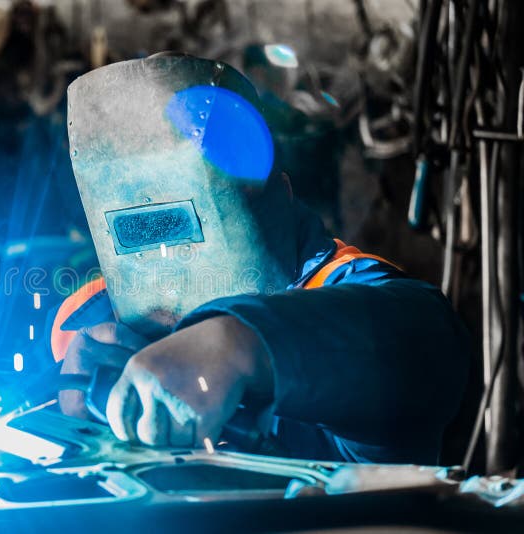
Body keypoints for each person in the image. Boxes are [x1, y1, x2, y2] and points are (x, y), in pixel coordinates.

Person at [50, 53, 469, 464]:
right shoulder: (89, 316)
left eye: (184, 228)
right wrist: (67, 400)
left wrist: (238, 342)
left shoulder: (347, 288)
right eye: (142, 233)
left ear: (282, 196)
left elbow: (428, 341)